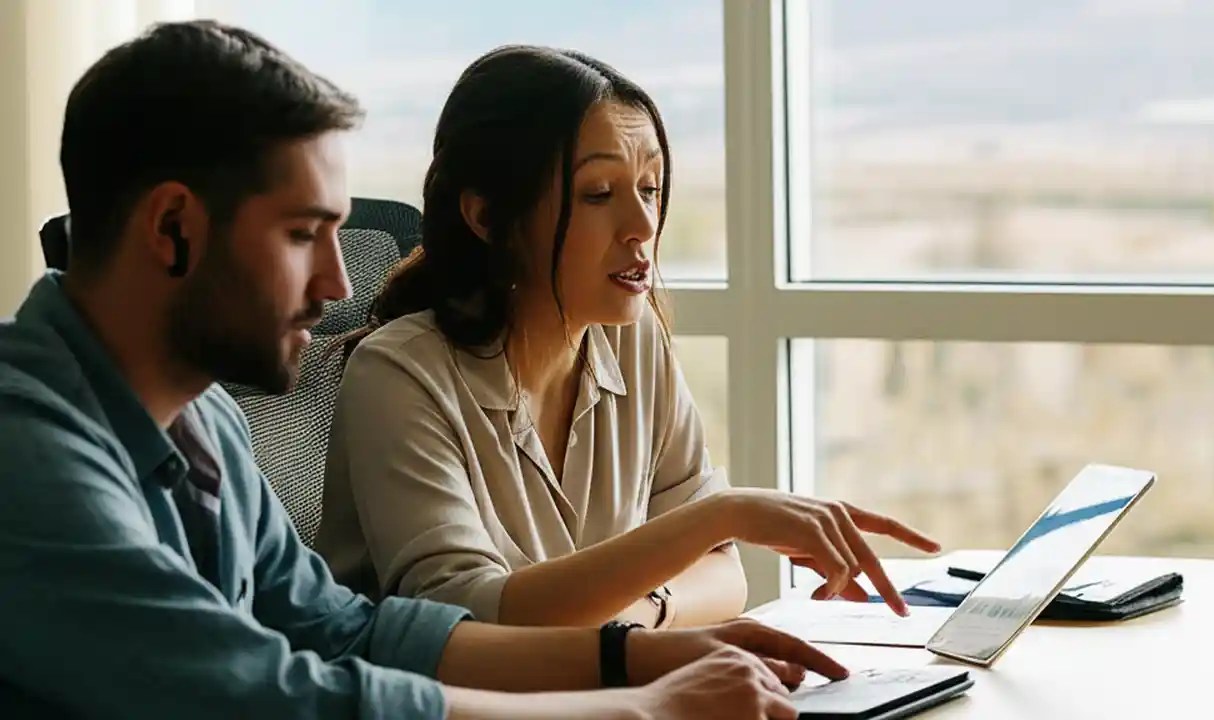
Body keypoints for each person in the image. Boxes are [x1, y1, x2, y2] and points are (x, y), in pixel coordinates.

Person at [0, 21, 849, 719]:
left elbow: (346, 633)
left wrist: (637, 654)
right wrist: (639, 706)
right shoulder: (24, 455)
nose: (338, 285)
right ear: (174, 230)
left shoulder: (202, 420)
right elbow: (265, 694)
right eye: (302, 235)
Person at [316, 45, 941, 630]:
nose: (643, 225)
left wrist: (633, 618)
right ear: (487, 216)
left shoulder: (632, 340)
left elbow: (725, 575)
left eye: (650, 189)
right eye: (598, 194)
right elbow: (465, 621)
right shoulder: (397, 375)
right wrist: (716, 518)